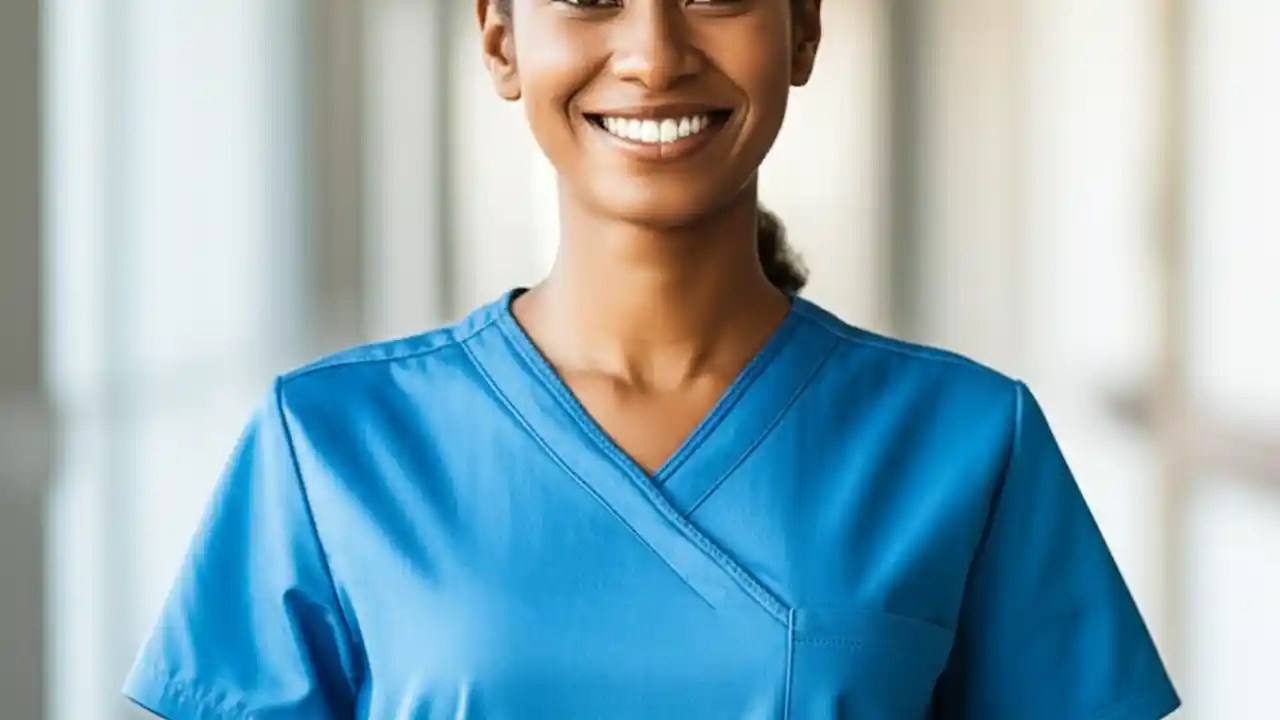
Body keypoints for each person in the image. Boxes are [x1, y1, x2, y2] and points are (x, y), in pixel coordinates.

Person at [123, 1, 1182, 718]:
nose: (654, 52)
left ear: (803, 29)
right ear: (499, 38)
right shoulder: (330, 445)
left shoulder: (965, 442)